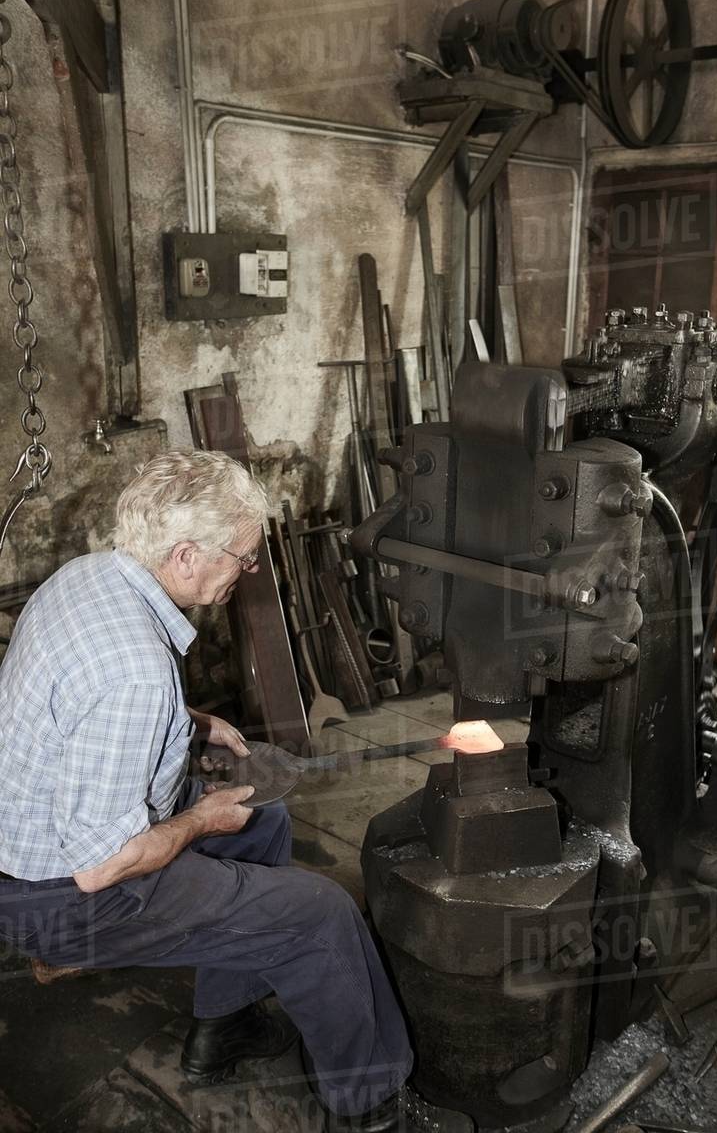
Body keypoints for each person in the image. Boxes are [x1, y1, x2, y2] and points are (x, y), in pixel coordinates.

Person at [0, 449, 417, 1131]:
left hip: (38, 834)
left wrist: (189, 720)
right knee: (321, 916)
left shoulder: (85, 577)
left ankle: (220, 1029)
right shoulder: (137, 669)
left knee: (266, 823)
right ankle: (371, 1106)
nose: (248, 572)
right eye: (243, 557)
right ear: (188, 554)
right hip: (61, 900)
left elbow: (75, 695)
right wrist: (196, 820)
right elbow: (101, 866)